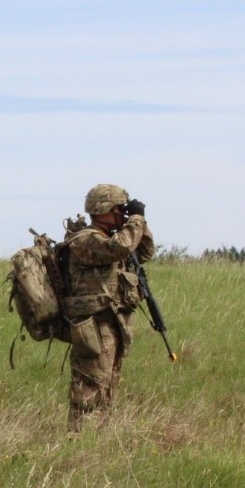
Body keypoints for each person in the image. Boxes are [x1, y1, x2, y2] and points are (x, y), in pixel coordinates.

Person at [62, 184, 155, 431]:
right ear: (103, 210)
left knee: (108, 389)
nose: (123, 214)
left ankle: (98, 439)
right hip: (93, 327)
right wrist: (135, 220)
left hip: (112, 324)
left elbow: (145, 252)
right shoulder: (85, 240)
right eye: (119, 209)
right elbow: (120, 247)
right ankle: (79, 438)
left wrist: (140, 223)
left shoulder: (111, 240)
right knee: (90, 388)